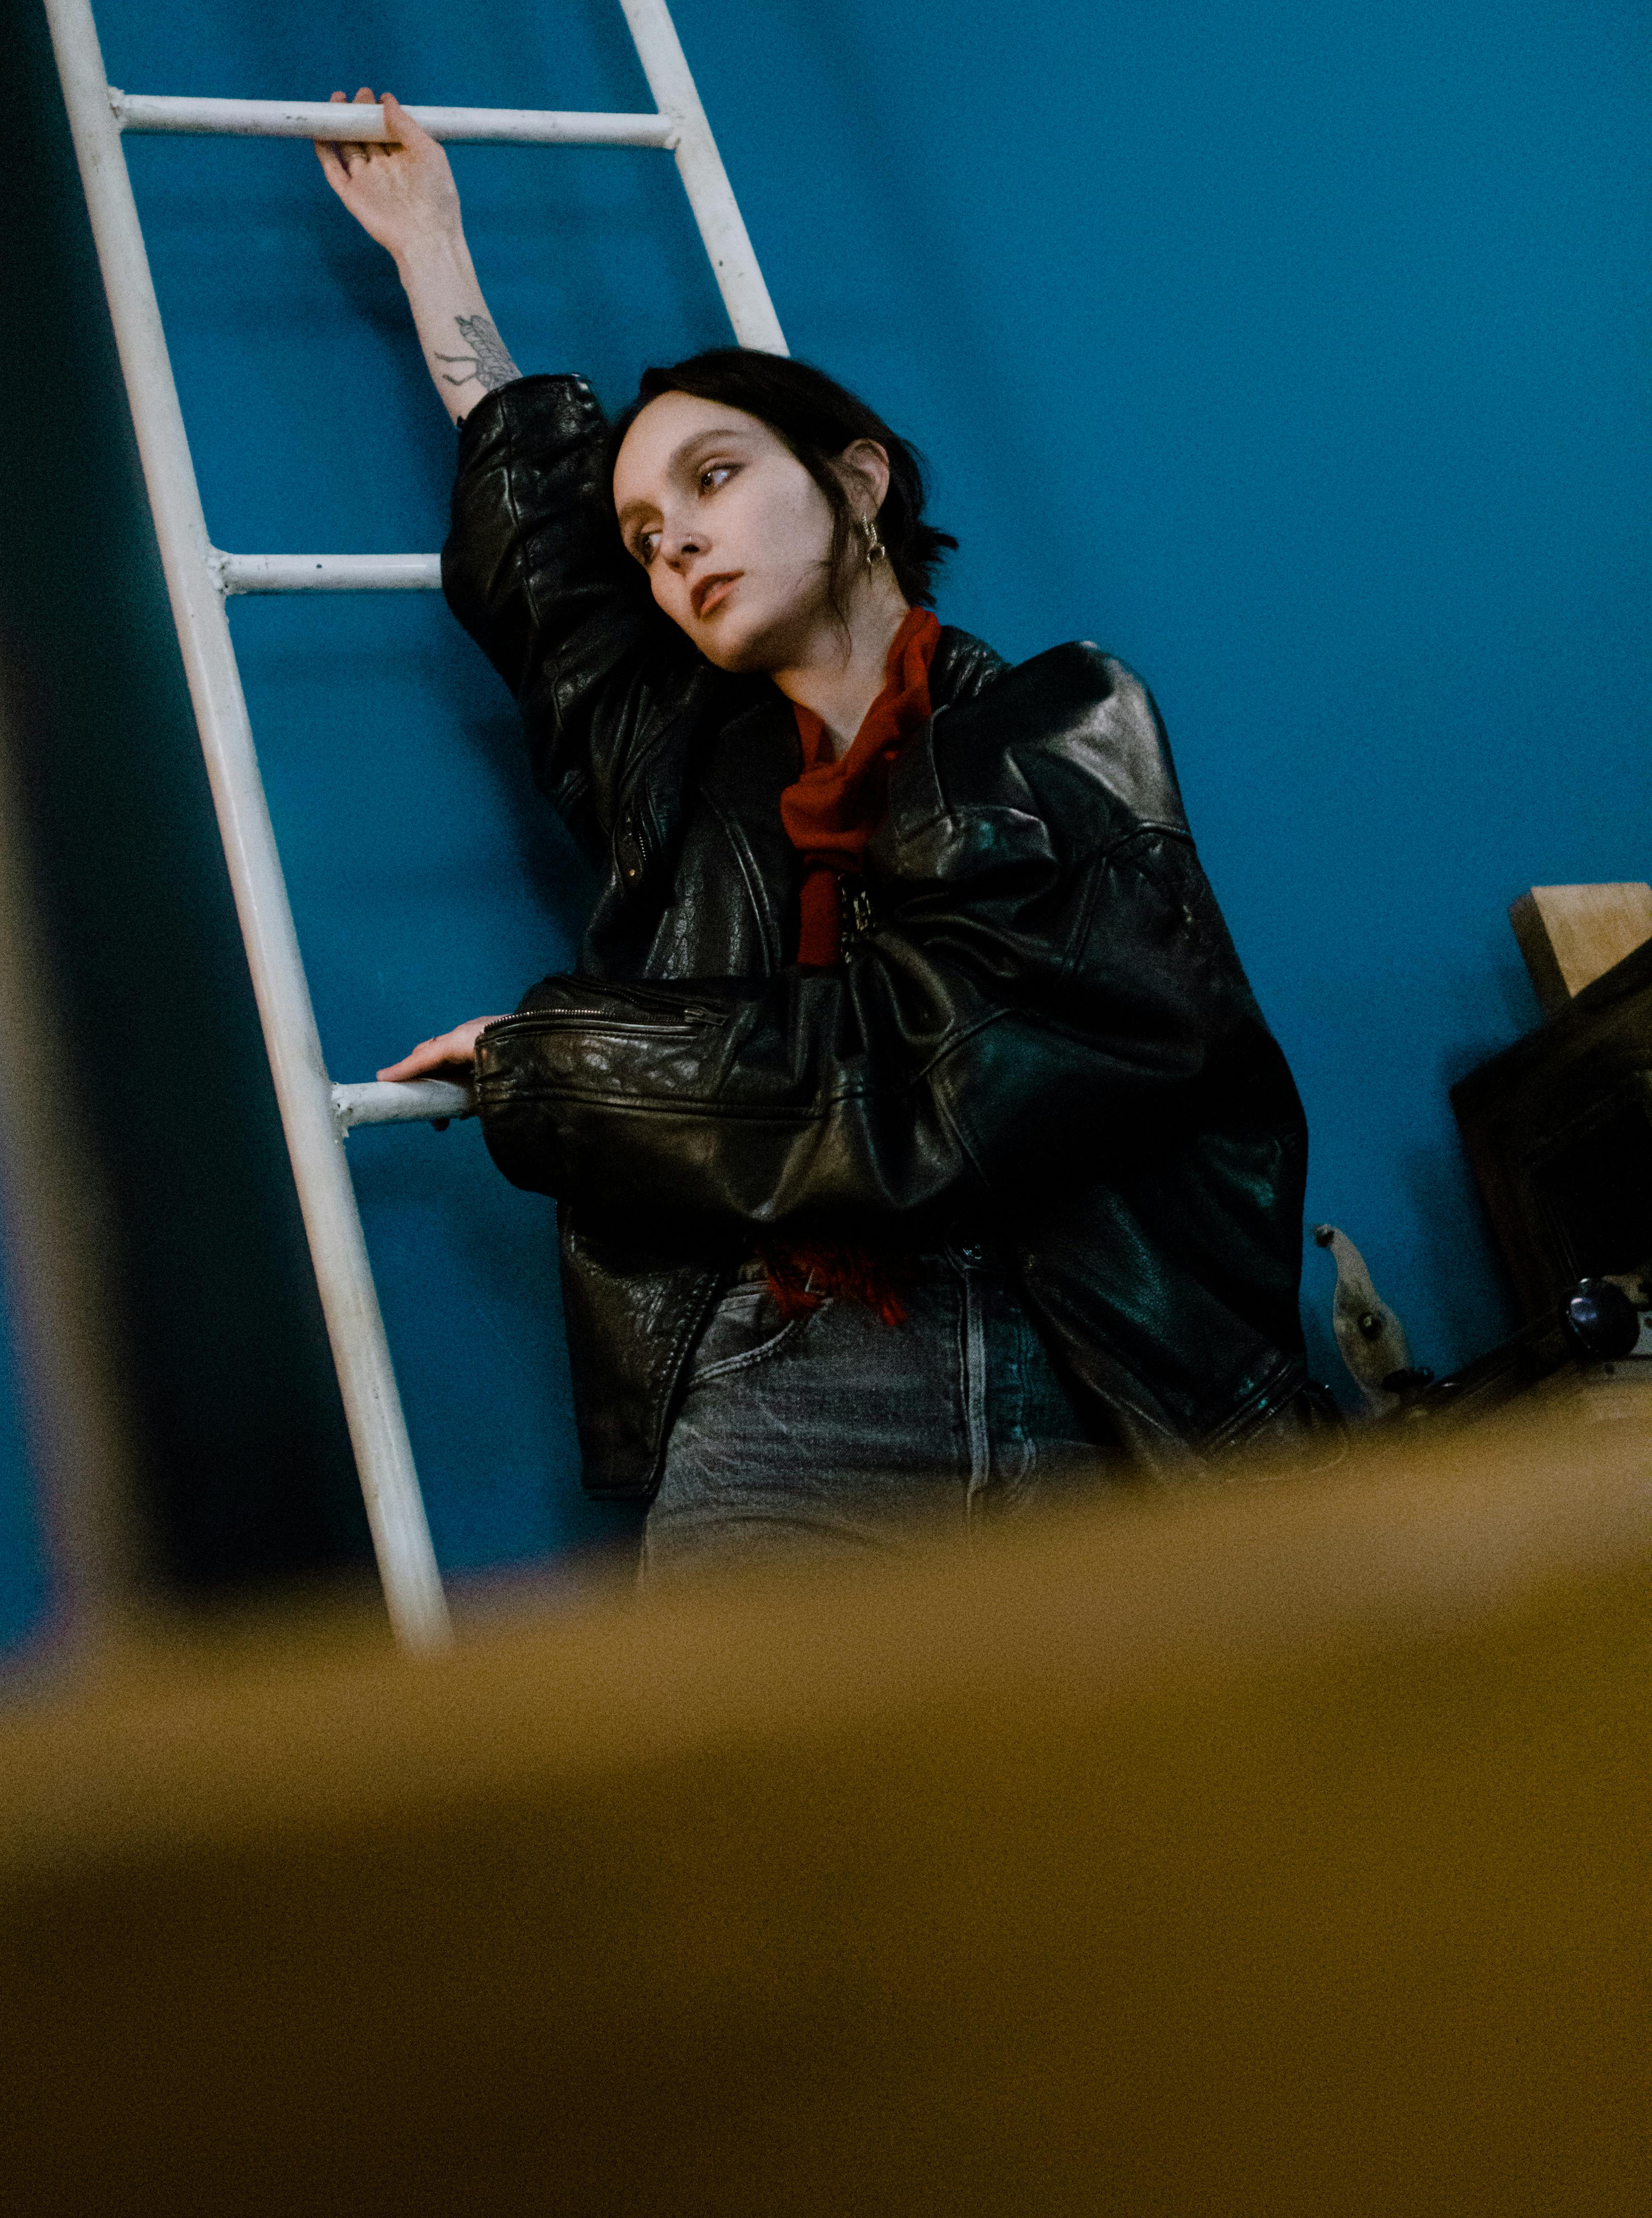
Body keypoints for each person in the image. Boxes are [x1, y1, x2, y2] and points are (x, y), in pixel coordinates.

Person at [318, 91, 1322, 1573]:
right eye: (651, 540)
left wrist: (561, 1065)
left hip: (1106, 1371)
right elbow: (548, 567)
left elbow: (934, 1090)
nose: (679, 545)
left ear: (854, 476)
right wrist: (430, 247)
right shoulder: (674, 763)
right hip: (791, 1382)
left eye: (713, 480)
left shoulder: (1060, 728)